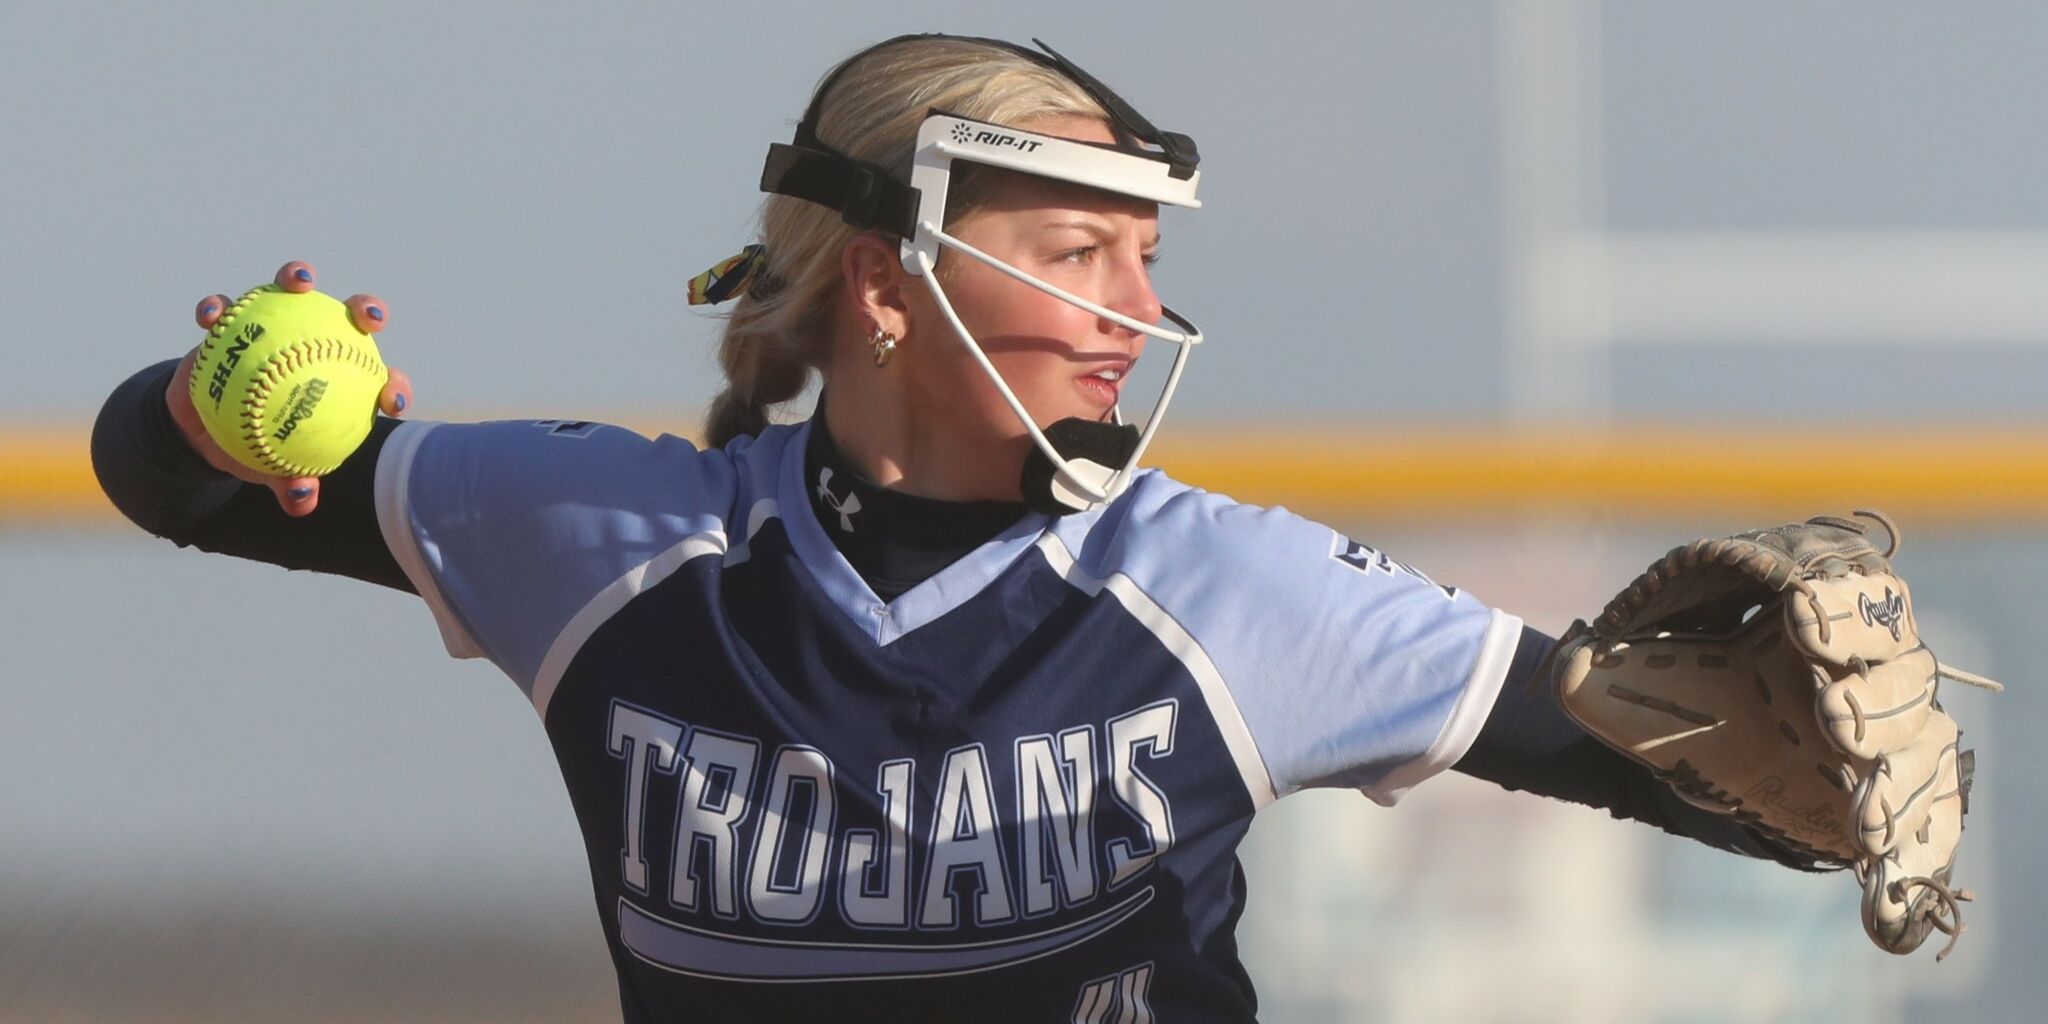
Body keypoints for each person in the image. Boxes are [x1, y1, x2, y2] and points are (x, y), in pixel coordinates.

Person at [93, 33, 1813, 1023]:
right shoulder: (609, 536)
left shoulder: (1224, 589)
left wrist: (1841, 785)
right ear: (885, 283)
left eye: (1149, 260)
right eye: (1080, 257)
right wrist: (201, 403)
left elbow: (1720, 771)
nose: (1137, 310)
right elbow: (165, 478)